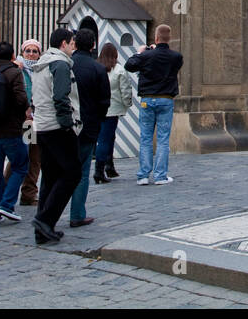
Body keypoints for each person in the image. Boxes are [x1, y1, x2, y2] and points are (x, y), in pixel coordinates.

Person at [31, 27, 81, 244]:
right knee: (72, 173)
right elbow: (61, 97)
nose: (73, 47)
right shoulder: (59, 65)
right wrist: (67, 124)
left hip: (42, 126)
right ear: (63, 44)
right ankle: (44, 220)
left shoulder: (40, 65)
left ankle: (43, 228)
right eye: (72, 43)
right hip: (56, 127)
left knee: (50, 176)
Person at [125, 24, 183, 185]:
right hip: (166, 99)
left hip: (147, 100)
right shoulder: (176, 57)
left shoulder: (146, 56)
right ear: (168, 38)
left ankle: (143, 175)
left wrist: (142, 52)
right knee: (163, 139)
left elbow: (129, 65)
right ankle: (160, 176)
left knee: (146, 137)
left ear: (156, 38)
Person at [0, 41, 30, 225]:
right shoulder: (14, 72)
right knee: (20, 166)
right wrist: (26, 111)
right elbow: (21, 98)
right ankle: (7, 204)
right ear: (12, 56)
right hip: (11, 130)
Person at [65, 28, 109, 228]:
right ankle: (77, 214)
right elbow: (104, 102)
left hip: (65, 125)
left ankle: (51, 212)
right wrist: (97, 121)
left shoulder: (65, 65)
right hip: (88, 127)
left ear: (74, 43)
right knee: (82, 172)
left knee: (61, 170)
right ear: (93, 45)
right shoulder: (98, 69)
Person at [94, 43, 136, 182]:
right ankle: (100, 170)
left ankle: (109, 166)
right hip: (112, 109)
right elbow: (125, 90)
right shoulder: (118, 70)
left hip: (97, 108)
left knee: (106, 137)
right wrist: (127, 104)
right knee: (106, 139)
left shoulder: (96, 68)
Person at [13, 38, 44, 205]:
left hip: (39, 119)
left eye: (35, 51)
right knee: (21, 156)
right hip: (25, 120)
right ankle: (6, 190)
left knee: (35, 157)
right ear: (22, 52)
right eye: (28, 51)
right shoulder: (17, 69)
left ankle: (29, 193)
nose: (31, 54)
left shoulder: (41, 70)